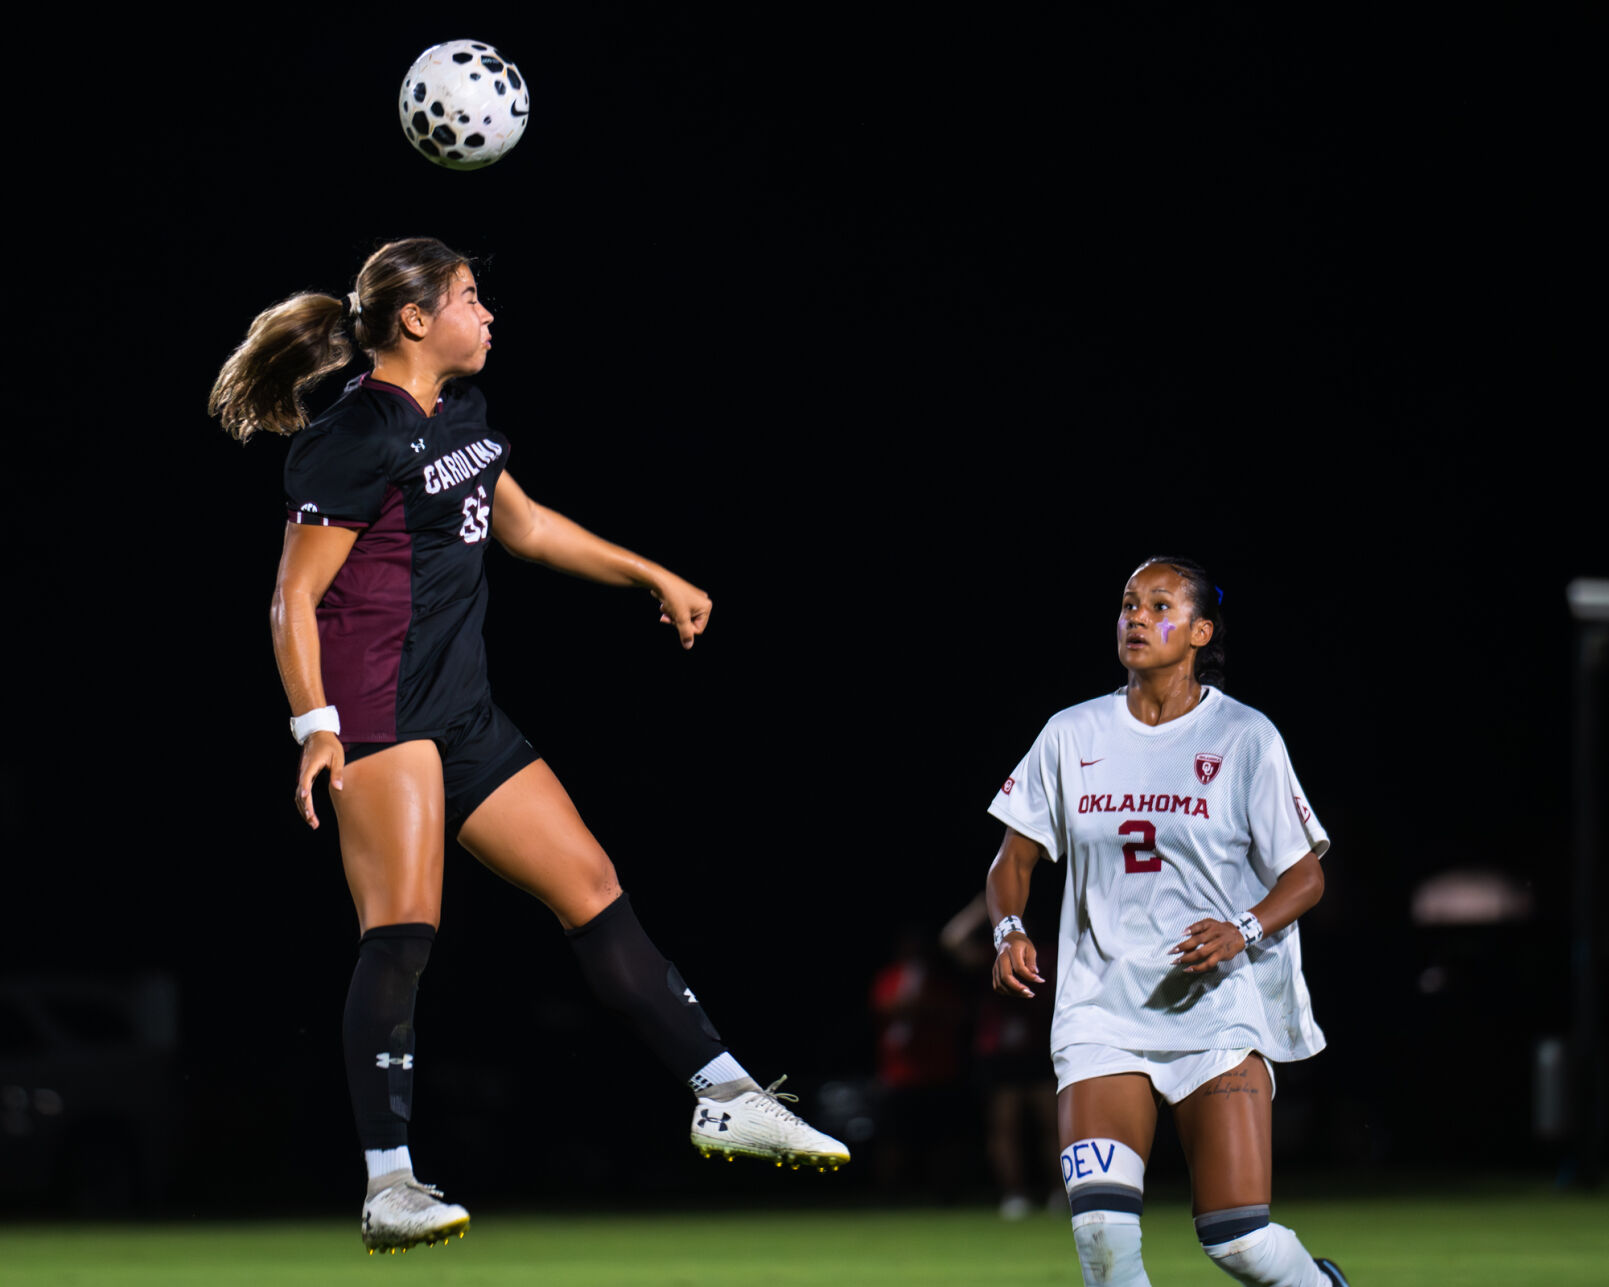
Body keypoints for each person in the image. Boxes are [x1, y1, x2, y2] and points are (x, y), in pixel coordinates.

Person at [207, 237, 848, 1255]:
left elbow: (529, 526)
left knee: (592, 884)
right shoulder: (350, 435)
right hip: (379, 714)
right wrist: (314, 728)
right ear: (416, 320)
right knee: (404, 930)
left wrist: (653, 574)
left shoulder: (459, 417)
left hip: (462, 713)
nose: (488, 314)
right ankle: (387, 1183)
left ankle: (722, 1092)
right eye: (469, 297)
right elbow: (291, 593)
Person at [984, 557, 1348, 1287]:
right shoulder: (1070, 732)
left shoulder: (1245, 735)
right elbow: (1010, 860)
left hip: (1213, 1014)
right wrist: (1009, 928)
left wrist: (1241, 927)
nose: (1136, 617)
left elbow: (1305, 874)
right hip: (1101, 1011)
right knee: (1100, 1233)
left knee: (1237, 1240)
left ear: (1199, 631)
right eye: (1127, 604)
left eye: (1158, 605)